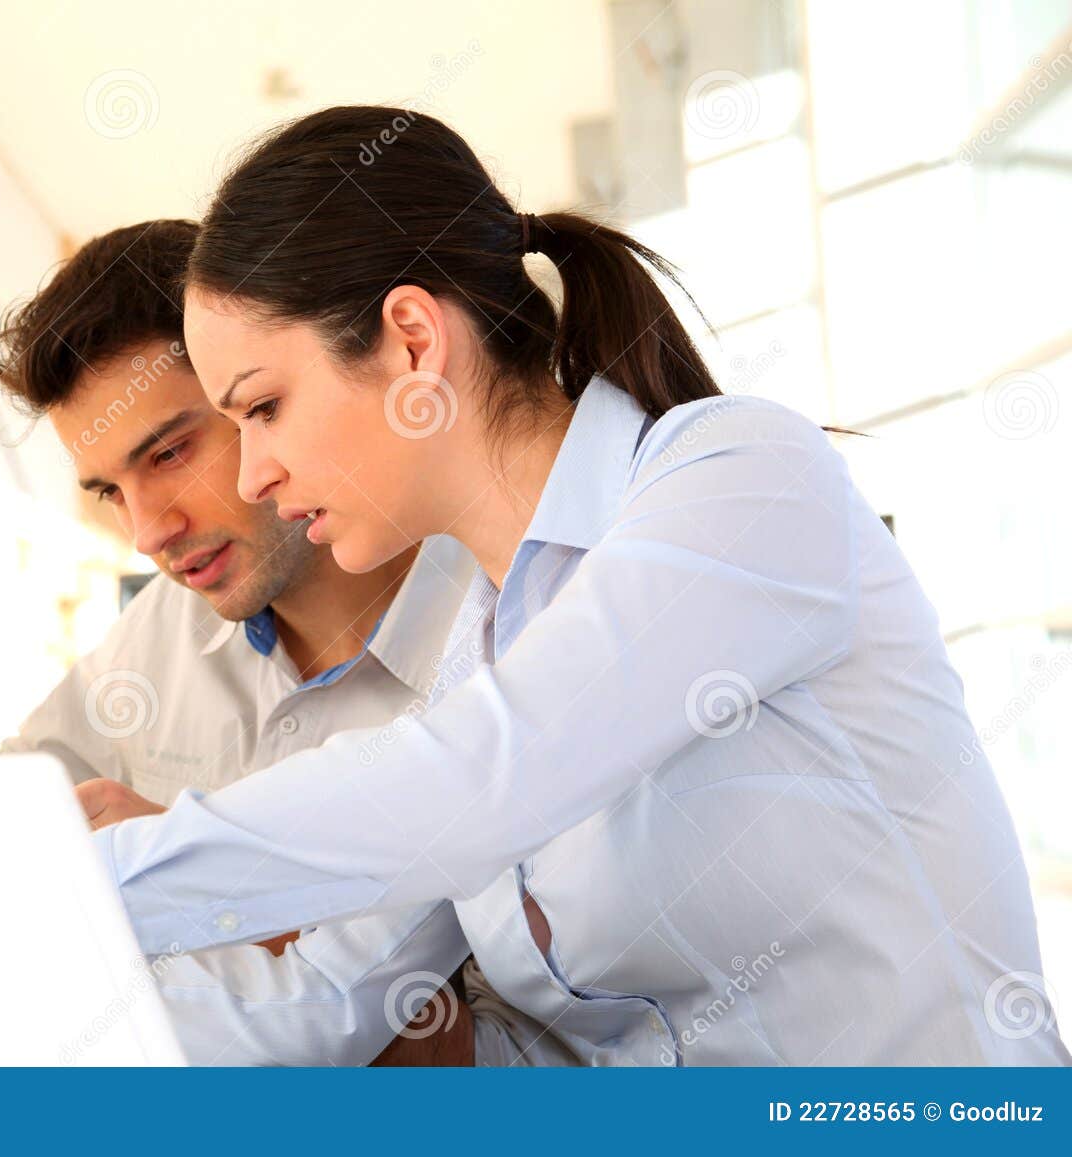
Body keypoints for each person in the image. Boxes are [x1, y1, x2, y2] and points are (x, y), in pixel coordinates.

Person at [88, 107, 1071, 1066]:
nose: (251, 472)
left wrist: (66, 880)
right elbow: (313, 1005)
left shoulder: (742, 477)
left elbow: (472, 780)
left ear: (413, 342)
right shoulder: (474, 668)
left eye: (263, 405)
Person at [0, 219, 522, 1065]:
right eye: (110, 490)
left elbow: (468, 1046)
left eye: (172, 452)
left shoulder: (503, 631)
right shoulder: (171, 623)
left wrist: (196, 871)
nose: (148, 530)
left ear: (257, 395)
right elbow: (6, 817)